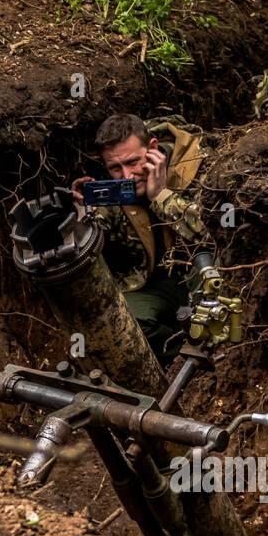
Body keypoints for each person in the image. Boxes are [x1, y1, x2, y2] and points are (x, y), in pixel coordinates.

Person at [72, 113, 212, 364]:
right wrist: (85, 219)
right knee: (124, 326)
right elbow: (103, 245)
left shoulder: (195, 166)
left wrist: (161, 195)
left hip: (204, 276)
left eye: (133, 162)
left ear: (153, 149)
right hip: (155, 285)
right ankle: (184, 358)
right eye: (115, 168)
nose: (126, 176)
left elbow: (210, 234)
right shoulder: (119, 189)